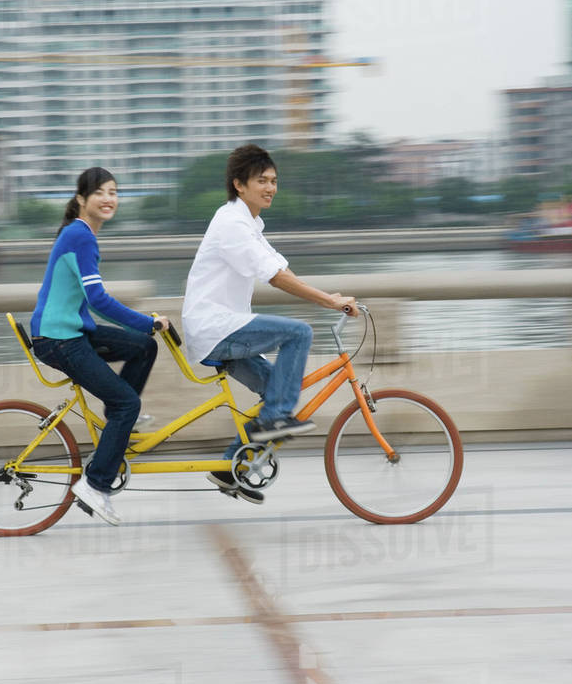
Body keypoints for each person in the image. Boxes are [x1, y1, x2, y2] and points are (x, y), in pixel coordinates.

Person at [182, 143, 358, 505]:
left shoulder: (249, 223)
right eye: (261, 180)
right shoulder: (231, 223)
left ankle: (228, 467)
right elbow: (274, 278)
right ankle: (275, 418)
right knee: (299, 333)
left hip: (224, 329)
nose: (270, 188)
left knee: (276, 394)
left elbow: (279, 266)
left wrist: (329, 296)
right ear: (239, 184)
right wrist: (329, 302)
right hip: (217, 328)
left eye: (274, 181)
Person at [31, 167, 169, 526]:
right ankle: (95, 486)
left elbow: (89, 303)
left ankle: (117, 420)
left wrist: (144, 330)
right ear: (81, 199)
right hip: (58, 340)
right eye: (100, 193)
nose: (109, 199)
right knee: (128, 402)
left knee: (143, 347)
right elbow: (97, 299)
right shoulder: (81, 236)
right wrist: (147, 320)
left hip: (72, 331)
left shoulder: (80, 233)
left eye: (114, 192)